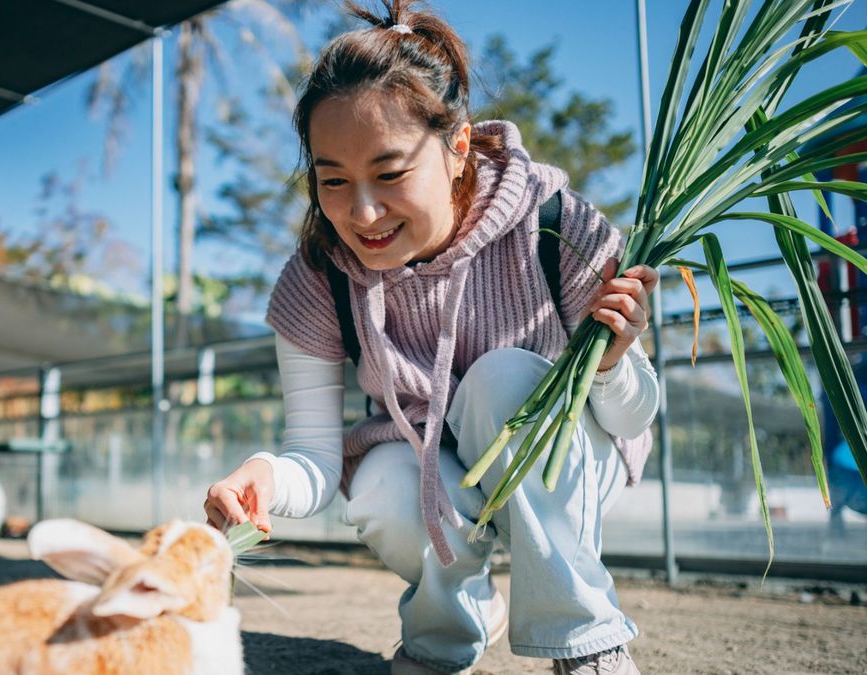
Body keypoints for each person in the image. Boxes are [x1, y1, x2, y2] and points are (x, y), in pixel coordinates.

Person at [203, 2, 659, 674]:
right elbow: (318, 459)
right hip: (427, 472)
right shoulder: (318, 279)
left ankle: (586, 641)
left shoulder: (560, 225)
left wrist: (615, 364)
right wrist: (264, 478)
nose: (362, 212)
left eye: (389, 174)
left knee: (501, 379)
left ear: (458, 147)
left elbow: (632, 415)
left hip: (566, 463)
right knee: (381, 480)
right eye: (333, 180)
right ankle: (448, 630)